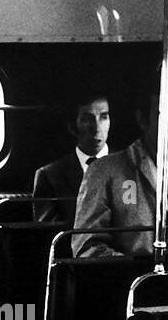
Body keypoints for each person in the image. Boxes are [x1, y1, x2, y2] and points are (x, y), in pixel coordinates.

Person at [71, 71, 168, 258]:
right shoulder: (104, 171)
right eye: (166, 115)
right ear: (142, 119)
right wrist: (137, 268)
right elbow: (86, 248)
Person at [31, 94, 111, 225]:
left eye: (103, 117)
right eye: (87, 119)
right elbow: (48, 232)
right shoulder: (50, 176)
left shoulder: (129, 167)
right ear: (72, 126)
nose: (97, 128)